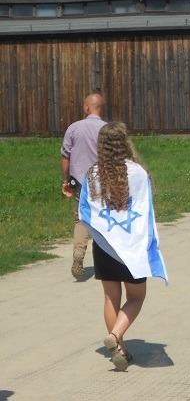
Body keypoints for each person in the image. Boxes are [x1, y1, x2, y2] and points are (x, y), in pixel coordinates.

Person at [79, 122, 167, 371]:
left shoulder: (92, 174)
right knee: (137, 297)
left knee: (110, 298)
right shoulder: (138, 173)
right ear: (125, 143)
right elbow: (146, 211)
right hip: (132, 246)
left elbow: (85, 213)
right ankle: (116, 336)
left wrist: (101, 235)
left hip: (105, 246)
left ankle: (119, 349)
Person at [61, 93, 107, 279]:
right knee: (103, 219)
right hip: (104, 182)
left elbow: (66, 157)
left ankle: (79, 253)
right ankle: (104, 261)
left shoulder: (74, 128)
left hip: (80, 182)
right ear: (101, 108)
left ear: (87, 107)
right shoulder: (107, 129)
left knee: (81, 219)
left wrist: (66, 181)